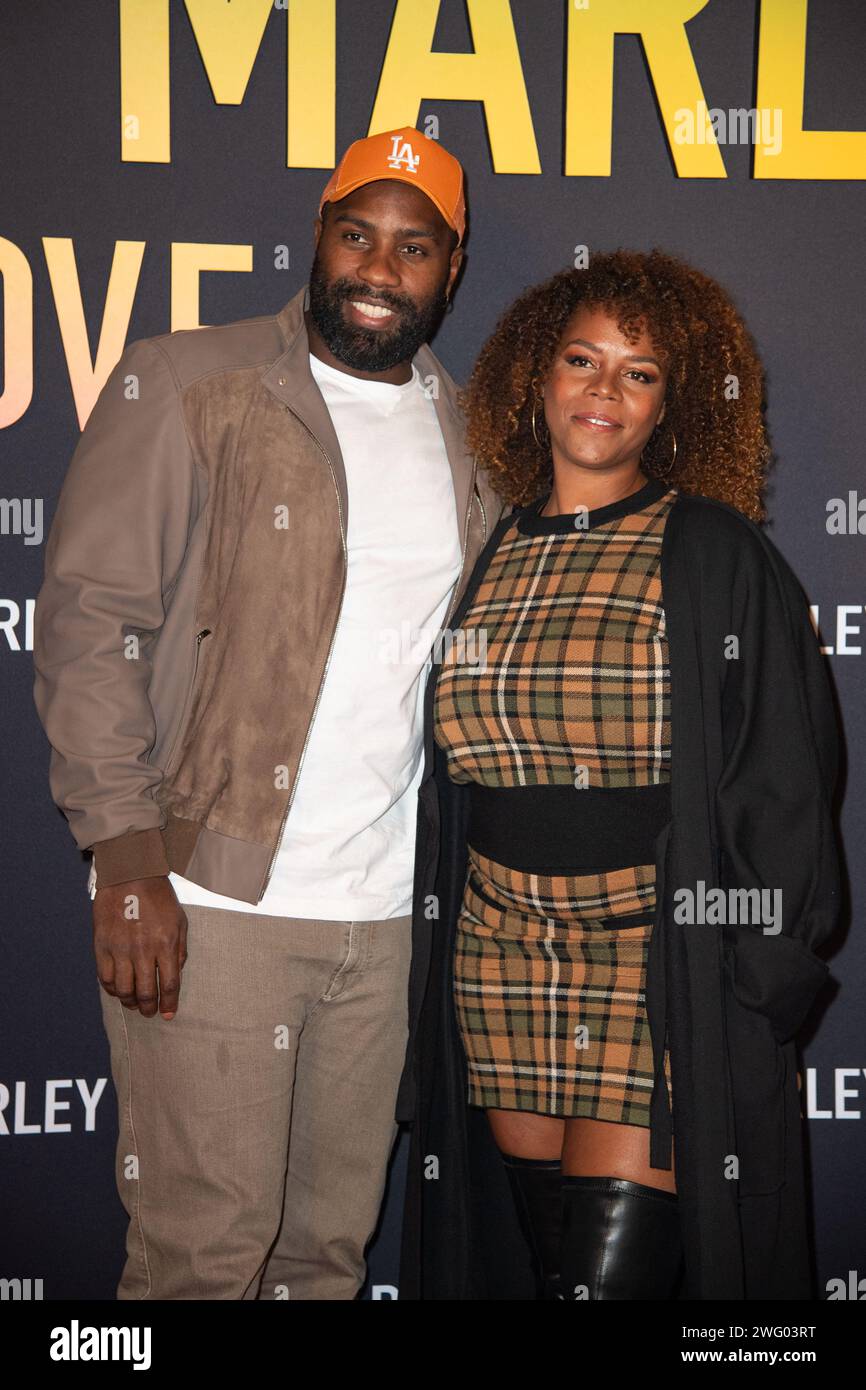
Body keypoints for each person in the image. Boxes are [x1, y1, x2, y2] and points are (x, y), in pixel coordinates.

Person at [32, 125, 504, 1300]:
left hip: (388, 922)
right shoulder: (193, 381)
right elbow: (94, 618)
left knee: (321, 1262)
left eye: (412, 247)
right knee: (203, 1257)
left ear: (450, 268)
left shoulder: (474, 432)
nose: (377, 271)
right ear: (318, 236)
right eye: (357, 234)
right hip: (209, 898)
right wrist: (126, 860)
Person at [399, 250, 843, 1300]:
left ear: (669, 403)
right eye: (580, 360)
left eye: (637, 372)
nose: (602, 390)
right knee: (535, 1267)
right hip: (498, 955)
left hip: (656, 967)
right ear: (532, 379)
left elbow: (783, 780)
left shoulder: (708, 551)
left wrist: (751, 987)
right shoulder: (489, 549)